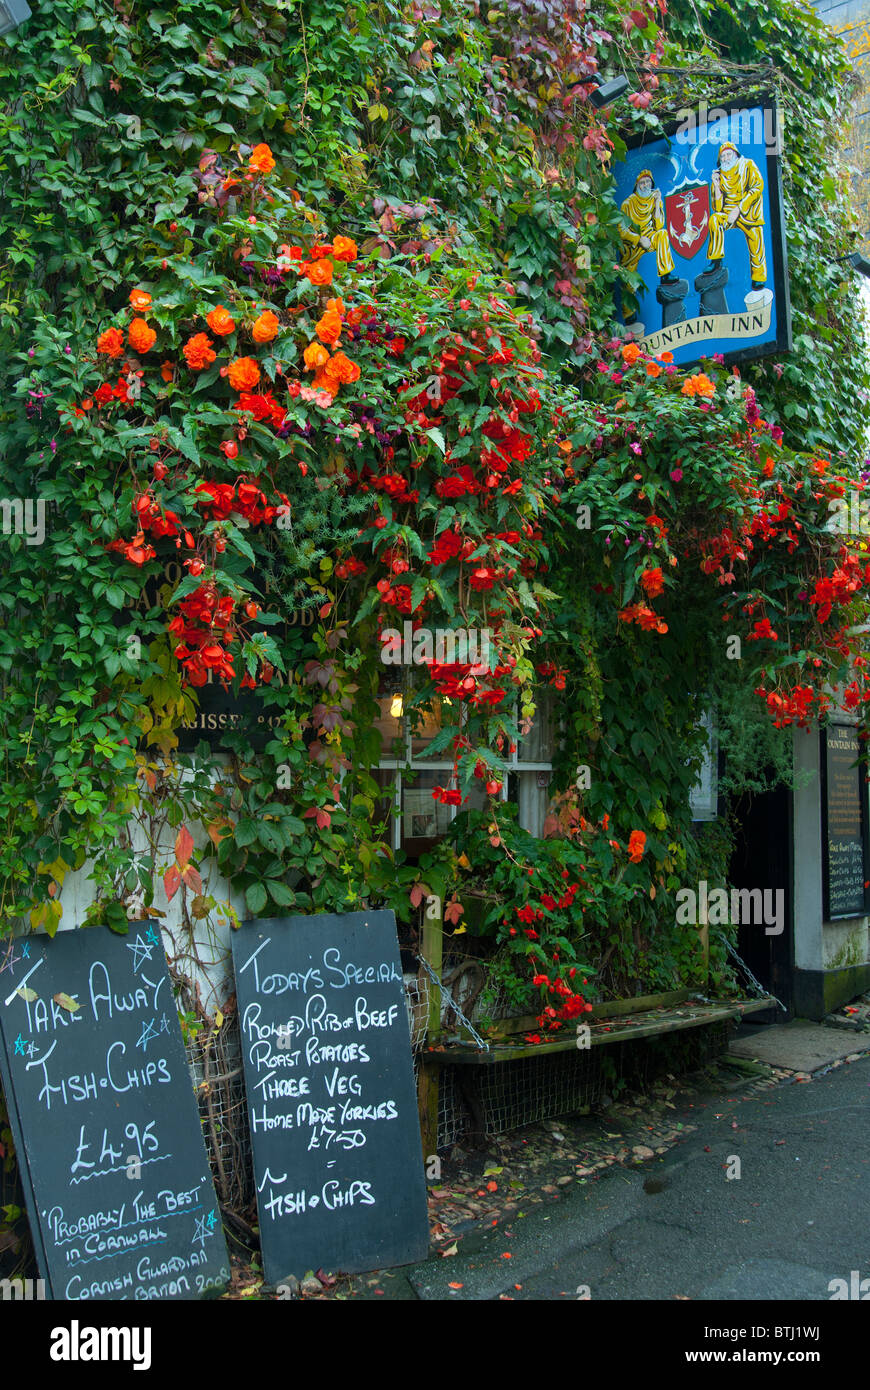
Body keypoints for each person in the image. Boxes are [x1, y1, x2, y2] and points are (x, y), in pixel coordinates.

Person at [706, 142, 769, 305]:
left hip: (747, 212)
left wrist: (739, 209)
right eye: (723, 156)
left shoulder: (748, 164)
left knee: (756, 237)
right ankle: (716, 262)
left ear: (735, 154)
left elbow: (757, 187)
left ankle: (758, 278)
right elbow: (717, 207)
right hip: (728, 213)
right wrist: (717, 185)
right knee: (715, 220)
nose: (726, 158)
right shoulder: (719, 174)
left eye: (729, 154)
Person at [620, 170, 677, 284]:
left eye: (648, 182)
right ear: (637, 185)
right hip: (633, 247)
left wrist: (657, 203)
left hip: (650, 238)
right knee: (629, 287)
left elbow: (659, 226)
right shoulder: (628, 203)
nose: (646, 186)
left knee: (662, 234)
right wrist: (638, 239)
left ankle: (666, 275)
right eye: (642, 183)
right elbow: (622, 232)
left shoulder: (654, 199)